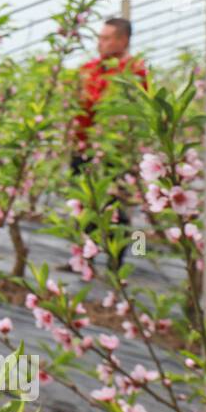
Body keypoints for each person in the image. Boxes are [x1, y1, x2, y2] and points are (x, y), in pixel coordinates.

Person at [68, 16, 147, 271]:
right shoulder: (88, 69)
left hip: (115, 153)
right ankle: (86, 260)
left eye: (106, 38)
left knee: (116, 208)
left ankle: (116, 264)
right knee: (85, 205)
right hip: (83, 148)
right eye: (99, 37)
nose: (99, 43)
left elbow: (135, 111)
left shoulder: (133, 73)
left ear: (122, 40)